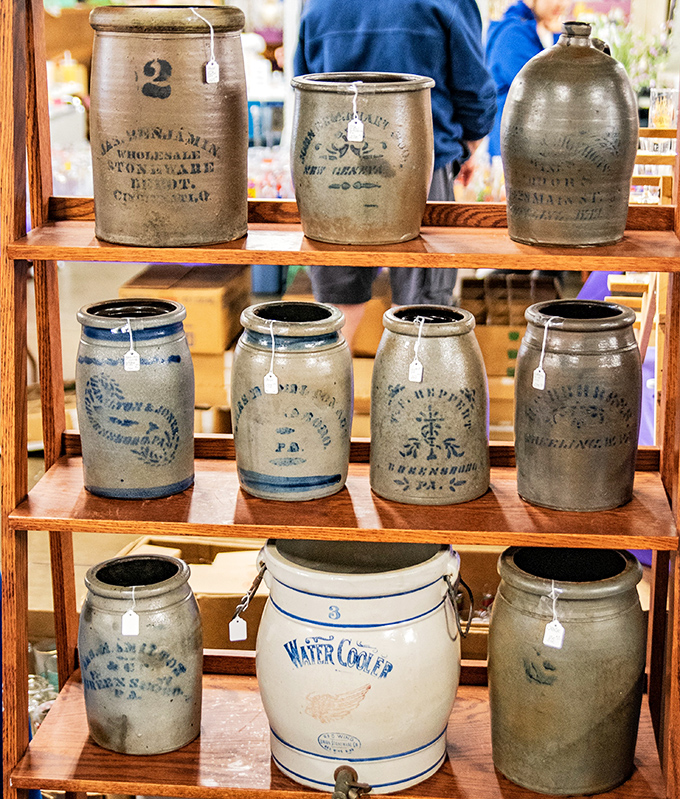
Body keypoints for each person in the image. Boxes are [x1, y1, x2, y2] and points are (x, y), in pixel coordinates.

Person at [294, 0, 497, 348]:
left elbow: (306, 86)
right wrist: (470, 146)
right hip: (423, 169)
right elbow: (473, 88)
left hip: (335, 170)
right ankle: (412, 401)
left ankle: (319, 395)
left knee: (337, 309)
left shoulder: (317, 4)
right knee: (423, 311)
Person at [485, 0, 569, 160]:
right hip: (513, 152)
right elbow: (548, 91)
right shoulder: (513, 34)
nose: (562, 4)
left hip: (525, 145)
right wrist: (562, 38)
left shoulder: (532, 28)